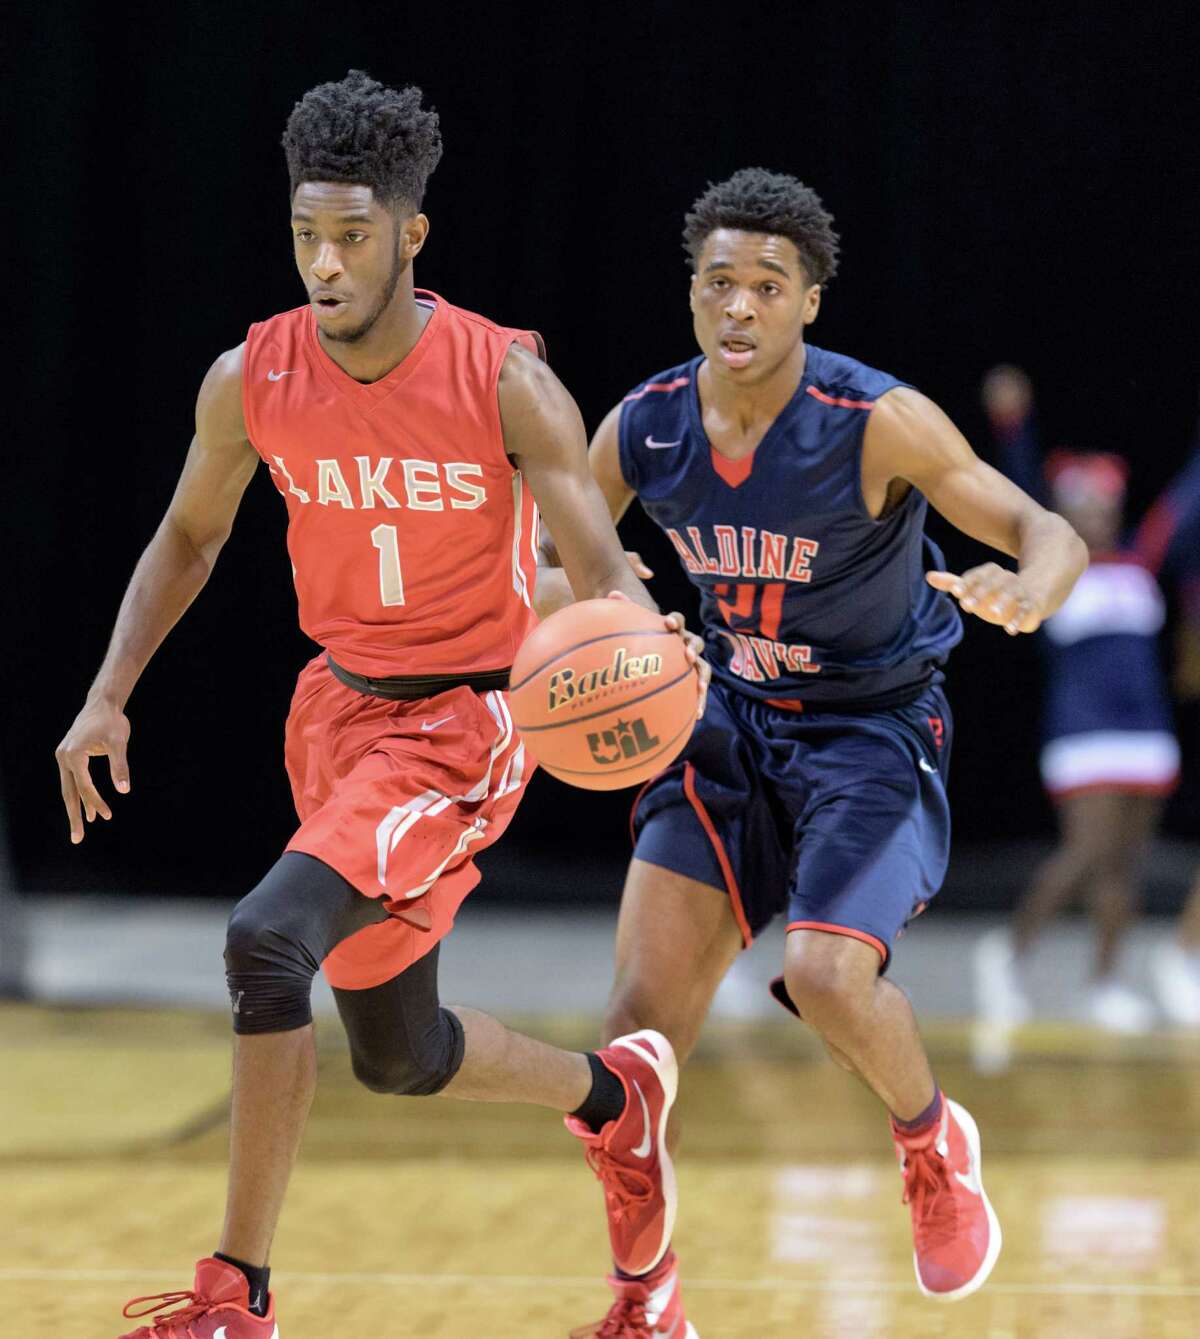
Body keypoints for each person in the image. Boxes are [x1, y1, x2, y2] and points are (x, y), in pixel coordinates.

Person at [54, 72, 706, 1339]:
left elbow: (597, 566)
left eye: (352, 235)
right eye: (306, 233)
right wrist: (106, 695)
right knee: (400, 1053)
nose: (324, 262)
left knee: (265, 940)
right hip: (337, 715)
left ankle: (234, 1299)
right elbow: (187, 536)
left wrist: (642, 637)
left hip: (468, 724)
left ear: (411, 233)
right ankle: (614, 1100)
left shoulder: (506, 381)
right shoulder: (250, 375)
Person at [536, 168, 1087, 1333]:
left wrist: (1029, 588)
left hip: (870, 730)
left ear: (809, 301)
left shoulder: (875, 419)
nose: (738, 306)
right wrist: (609, 611)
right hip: (727, 723)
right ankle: (645, 1301)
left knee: (830, 977)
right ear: (692, 291)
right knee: (632, 1045)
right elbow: (545, 560)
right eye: (718, 282)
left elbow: (1045, 528)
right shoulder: (644, 425)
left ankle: (933, 1141)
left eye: (767, 285)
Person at [973, 366, 1181, 1032]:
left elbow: (1186, 501)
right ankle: (1006, 955)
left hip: (1146, 733)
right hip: (1082, 731)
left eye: (1102, 501)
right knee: (1085, 853)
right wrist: (1012, 423)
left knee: (1125, 867)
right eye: (1080, 502)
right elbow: (1020, 490)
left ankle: (1105, 982)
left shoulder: (1142, 559)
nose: (1094, 511)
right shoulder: (1053, 570)